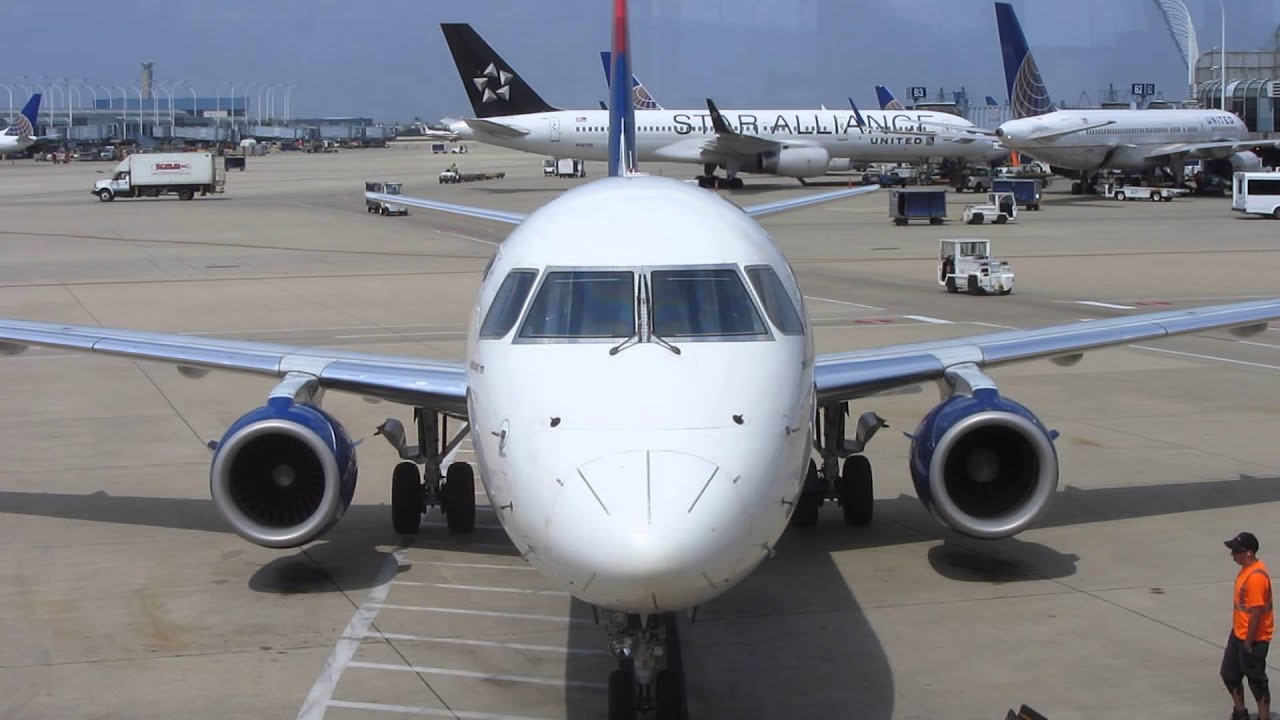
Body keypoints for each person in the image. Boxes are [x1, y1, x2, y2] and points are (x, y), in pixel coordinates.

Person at [1222, 531, 1273, 720]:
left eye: (1236, 551)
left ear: (1249, 553)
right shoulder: (1246, 569)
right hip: (1238, 633)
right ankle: (1240, 712)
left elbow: (1256, 613)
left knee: (1257, 682)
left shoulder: (1256, 577)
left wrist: (1248, 642)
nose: (1232, 554)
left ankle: (1263, 717)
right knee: (1229, 674)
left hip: (1253, 639)